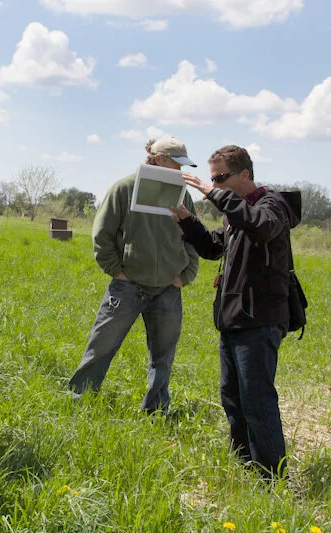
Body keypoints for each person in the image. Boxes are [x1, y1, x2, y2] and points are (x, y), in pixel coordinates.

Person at [170, 145, 301, 479]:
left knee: (257, 401)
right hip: (233, 320)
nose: (215, 183)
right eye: (213, 179)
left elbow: (261, 226)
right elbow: (214, 248)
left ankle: (271, 478)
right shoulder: (237, 213)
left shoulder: (271, 205)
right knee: (233, 398)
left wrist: (214, 194)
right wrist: (187, 221)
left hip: (260, 320)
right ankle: (244, 466)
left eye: (221, 177)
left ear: (245, 174)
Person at [68, 136, 200, 413]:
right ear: (159, 159)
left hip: (168, 287)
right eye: (176, 163)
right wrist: (117, 272)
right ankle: (78, 402)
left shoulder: (183, 195)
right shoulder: (125, 188)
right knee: (100, 347)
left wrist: (184, 275)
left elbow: (192, 235)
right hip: (128, 287)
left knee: (163, 356)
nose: (180, 170)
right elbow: (102, 235)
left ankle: (156, 410)